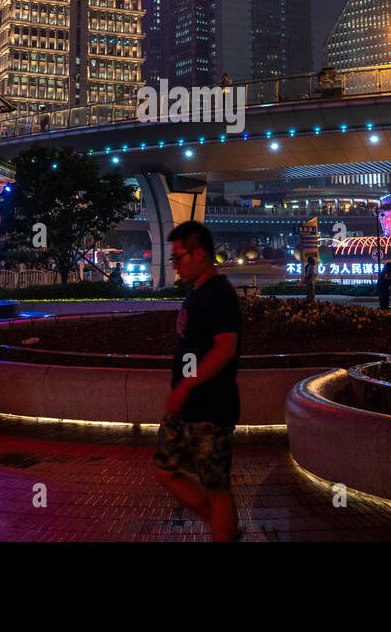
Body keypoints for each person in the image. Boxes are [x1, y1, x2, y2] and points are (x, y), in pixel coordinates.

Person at [154, 220, 242, 542]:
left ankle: (224, 530)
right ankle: (222, 525)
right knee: (165, 470)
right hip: (186, 406)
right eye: (173, 259)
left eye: (179, 258)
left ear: (200, 254)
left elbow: (225, 349)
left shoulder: (219, 294)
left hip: (211, 408)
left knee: (217, 487)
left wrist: (187, 385)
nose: (175, 265)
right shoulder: (197, 292)